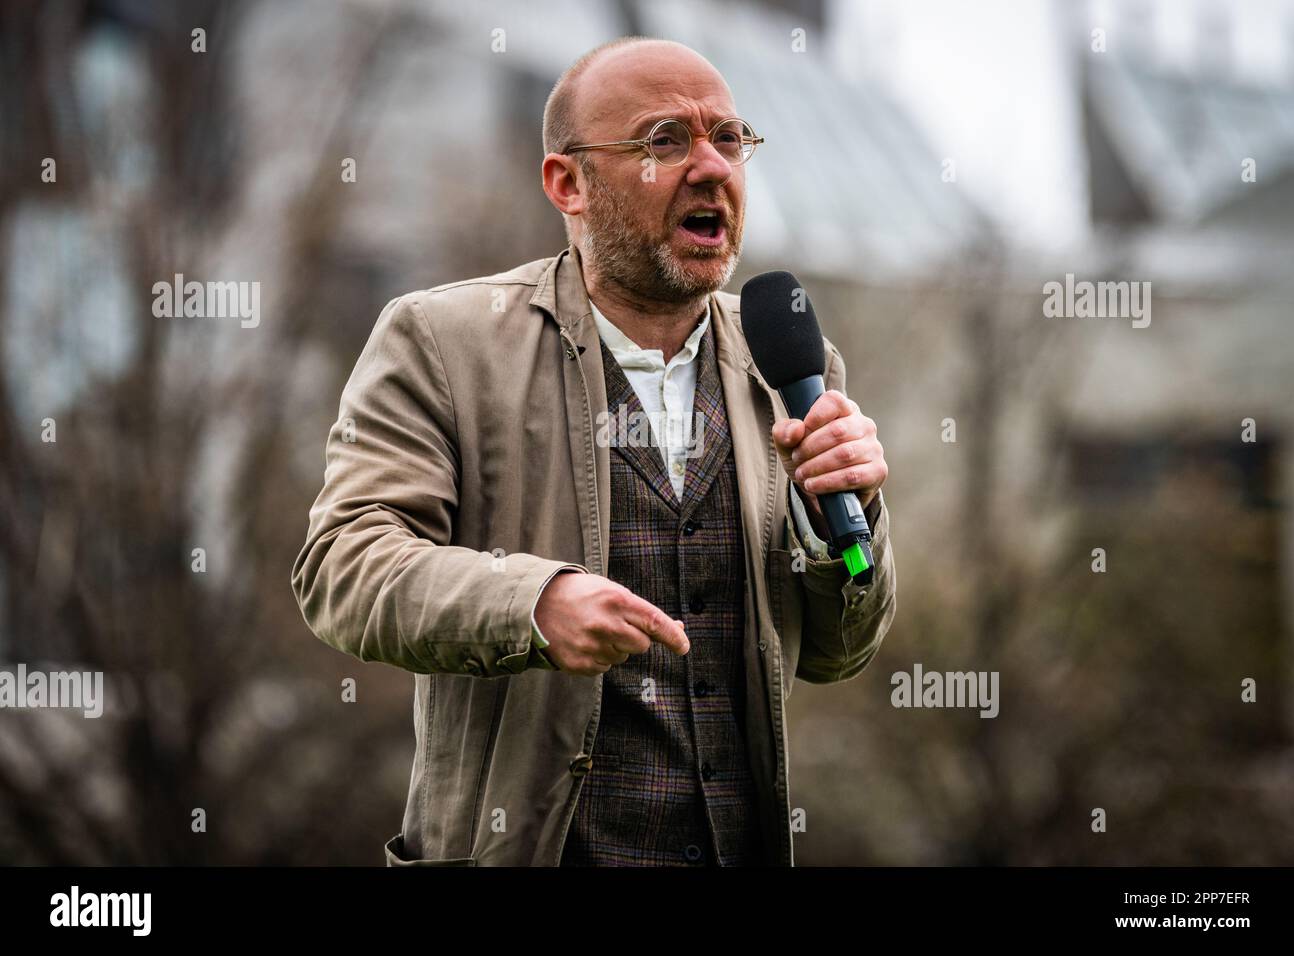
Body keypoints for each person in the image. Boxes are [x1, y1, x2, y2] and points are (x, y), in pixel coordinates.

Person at [291, 36, 896, 867]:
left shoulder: (790, 366)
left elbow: (840, 650)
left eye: (728, 137)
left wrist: (841, 525)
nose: (712, 167)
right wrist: (530, 604)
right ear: (567, 184)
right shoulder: (444, 342)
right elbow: (343, 568)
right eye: (664, 141)